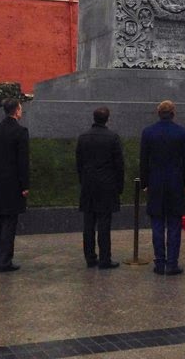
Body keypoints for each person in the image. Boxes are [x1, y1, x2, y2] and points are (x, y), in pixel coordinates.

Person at [140, 100, 185, 276]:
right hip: (175, 183)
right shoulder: (182, 133)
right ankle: (172, 264)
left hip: (155, 183)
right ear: (173, 113)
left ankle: (159, 263)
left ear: (158, 113)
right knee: (174, 225)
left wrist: (145, 183)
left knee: (157, 224)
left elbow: (144, 161)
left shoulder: (148, 132)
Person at [0, 98, 30, 272]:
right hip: (12, 186)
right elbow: (22, 162)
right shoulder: (20, 132)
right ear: (16, 111)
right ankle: (4, 261)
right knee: (9, 224)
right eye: (20, 109)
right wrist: (25, 185)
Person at [76, 106, 124, 270]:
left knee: (88, 224)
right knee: (104, 224)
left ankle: (90, 258)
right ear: (107, 119)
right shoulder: (112, 138)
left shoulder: (83, 137)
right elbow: (119, 165)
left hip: (88, 185)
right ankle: (105, 259)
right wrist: (119, 186)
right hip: (107, 185)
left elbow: (79, 162)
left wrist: (83, 180)